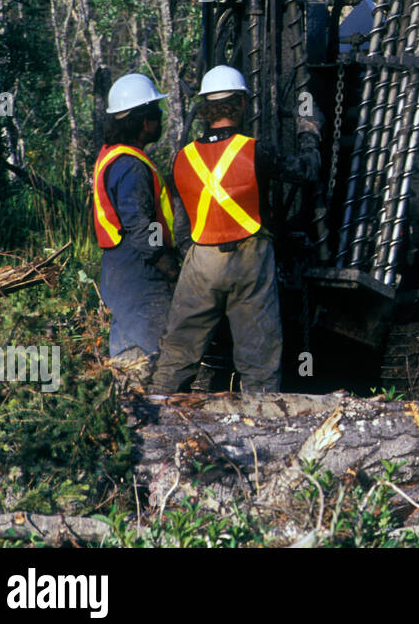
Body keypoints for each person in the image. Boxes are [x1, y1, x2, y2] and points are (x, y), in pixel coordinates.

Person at [151, 66, 320, 394]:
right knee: (258, 357)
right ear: (241, 104)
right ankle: (259, 422)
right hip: (249, 259)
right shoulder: (256, 150)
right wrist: (309, 131)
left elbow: (179, 220)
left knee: (178, 351)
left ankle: (155, 411)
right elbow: (307, 171)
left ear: (204, 109)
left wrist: (185, 254)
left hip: (201, 262)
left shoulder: (180, 159)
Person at [92, 73, 181, 381]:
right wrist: (169, 268)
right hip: (139, 275)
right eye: (156, 113)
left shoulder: (114, 156)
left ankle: (128, 416)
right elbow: (140, 227)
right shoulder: (131, 165)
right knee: (143, 362)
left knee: (129, 357)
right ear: (144, 121)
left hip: (120, 268)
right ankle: (141, 421)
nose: (159, 120)